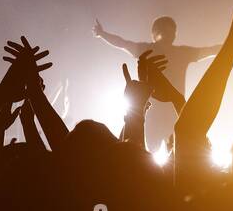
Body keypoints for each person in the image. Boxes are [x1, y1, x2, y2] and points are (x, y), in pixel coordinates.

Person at [93, 16, 223, 150]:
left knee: (156, 155)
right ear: (155, 33)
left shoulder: (180, 52)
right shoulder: (167, 51)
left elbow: (211, 50)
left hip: (168, 113)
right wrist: (103, 34)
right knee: (157, 155)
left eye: (170, 31)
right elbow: (122, 43)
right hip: (158, 113)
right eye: (165, 30)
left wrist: (102, 34)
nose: (168, 34)